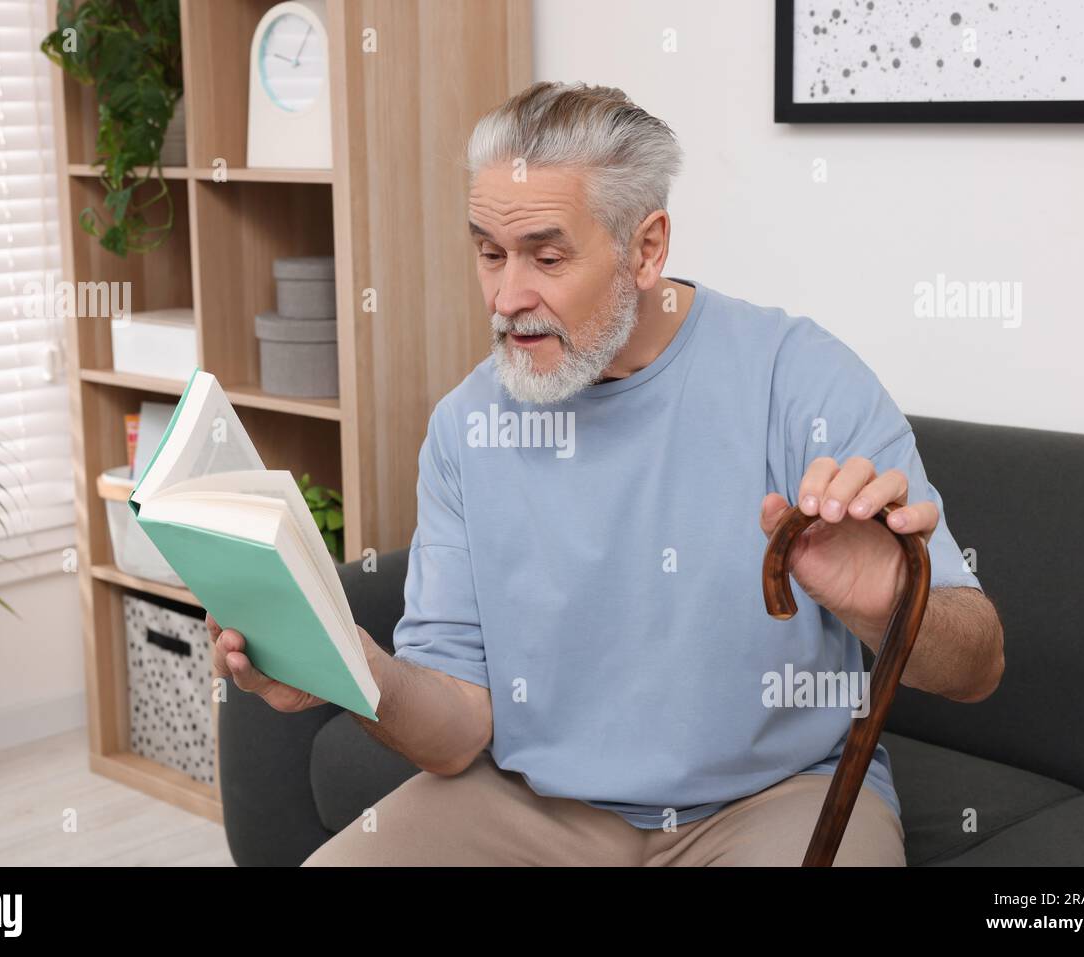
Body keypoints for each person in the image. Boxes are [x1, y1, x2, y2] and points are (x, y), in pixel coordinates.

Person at [207, 81, 1004, 866]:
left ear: (646, 248)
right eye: (489, 252)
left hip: (778, 797)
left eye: (546, 256)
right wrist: (355, 671)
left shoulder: (800, 378)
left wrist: (890, 603)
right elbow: (454, 736)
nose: (507, 297)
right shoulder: (464, 426)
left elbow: (978, 666)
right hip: (534, 803)